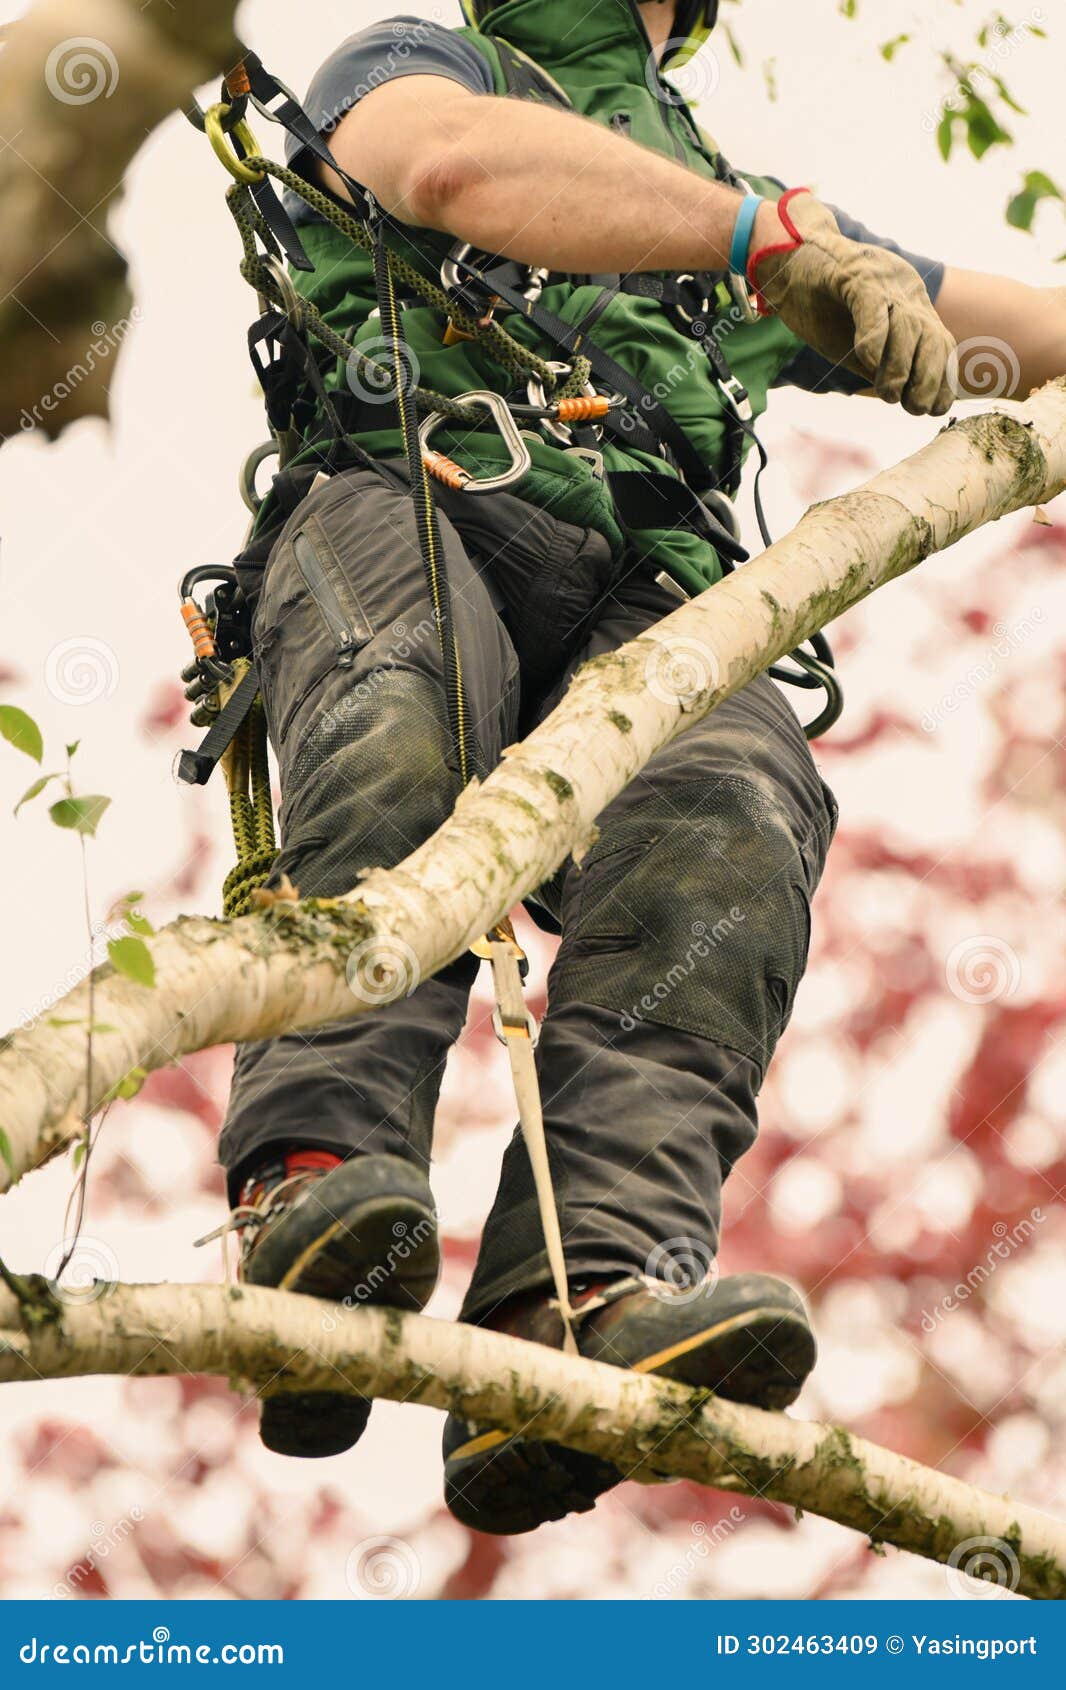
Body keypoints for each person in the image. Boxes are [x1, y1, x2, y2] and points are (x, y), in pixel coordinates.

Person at [216, 0, 1066, 1535]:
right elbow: (449, 167)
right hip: (417, 481)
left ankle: (580, 1291)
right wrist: (759, 243)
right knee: (395, 720)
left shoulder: (756, 223)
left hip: (650, 588)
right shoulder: (428, 65)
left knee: (732, 821)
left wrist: (803, 254)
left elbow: (1007, 327)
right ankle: (315, 1178)